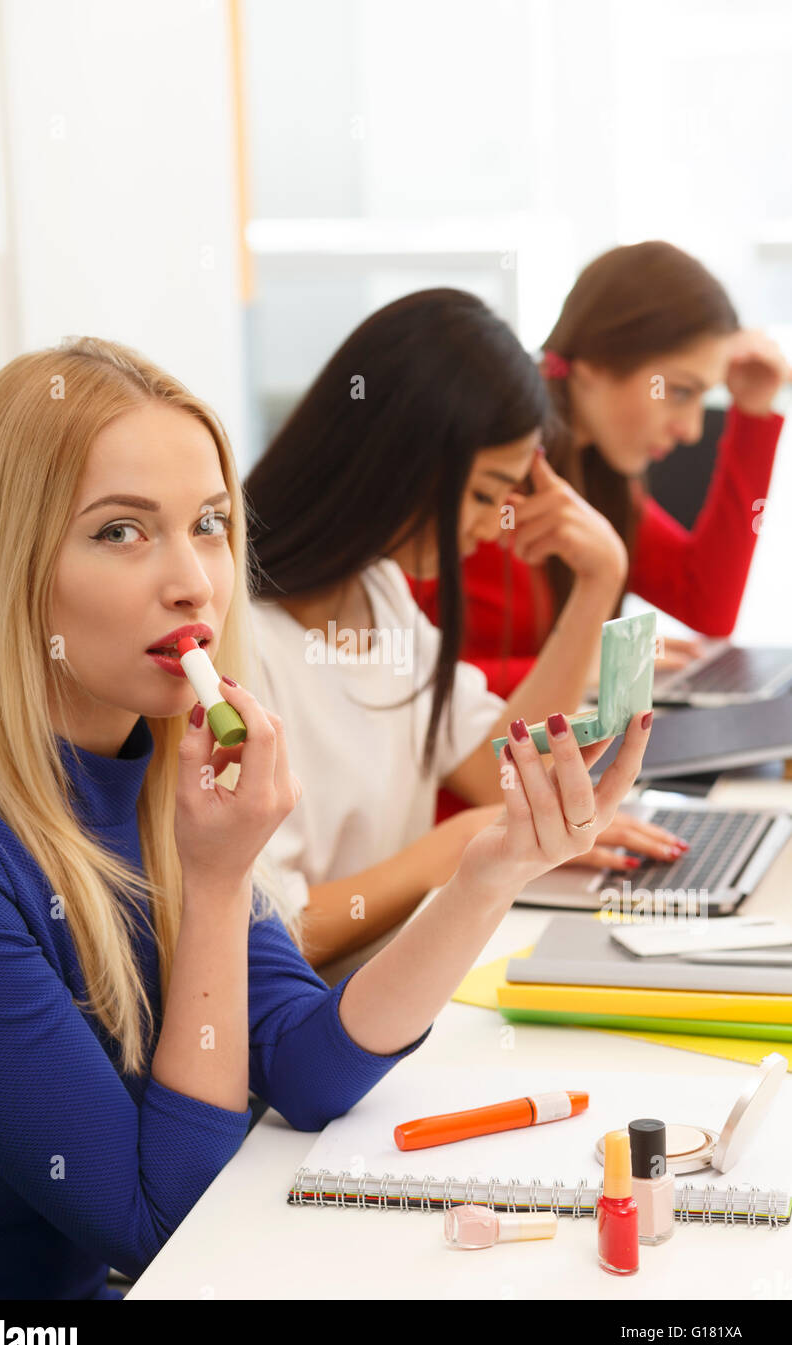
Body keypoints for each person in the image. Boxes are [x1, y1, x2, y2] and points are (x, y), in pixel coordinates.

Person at [0, 335, 651, 1299]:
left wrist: (490, 871)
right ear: (18, 568)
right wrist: (221, 883)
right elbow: (169, 1225)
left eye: (210, 524)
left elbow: (308, 1066)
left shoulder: (156, 773)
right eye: (120, 531)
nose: (193, 580)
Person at [244, 290, 669, 978]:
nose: (489, 525)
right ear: (396, 459)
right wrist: (453, 852)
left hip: (399, 991)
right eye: (481, 495)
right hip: (312, 1031)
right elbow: (274, 937)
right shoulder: (247, 646)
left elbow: (498, 769)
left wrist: (598, 581)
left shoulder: (375, 590)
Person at [407, 242, 789, 821]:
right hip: (455, 816)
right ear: (593, 365)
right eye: (679, 391)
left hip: (529, 792)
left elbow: (705, 603)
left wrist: (755, 413)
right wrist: (586, 667)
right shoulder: (488, 489)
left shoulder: (596, 480)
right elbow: (391, 673)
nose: (689, 429)